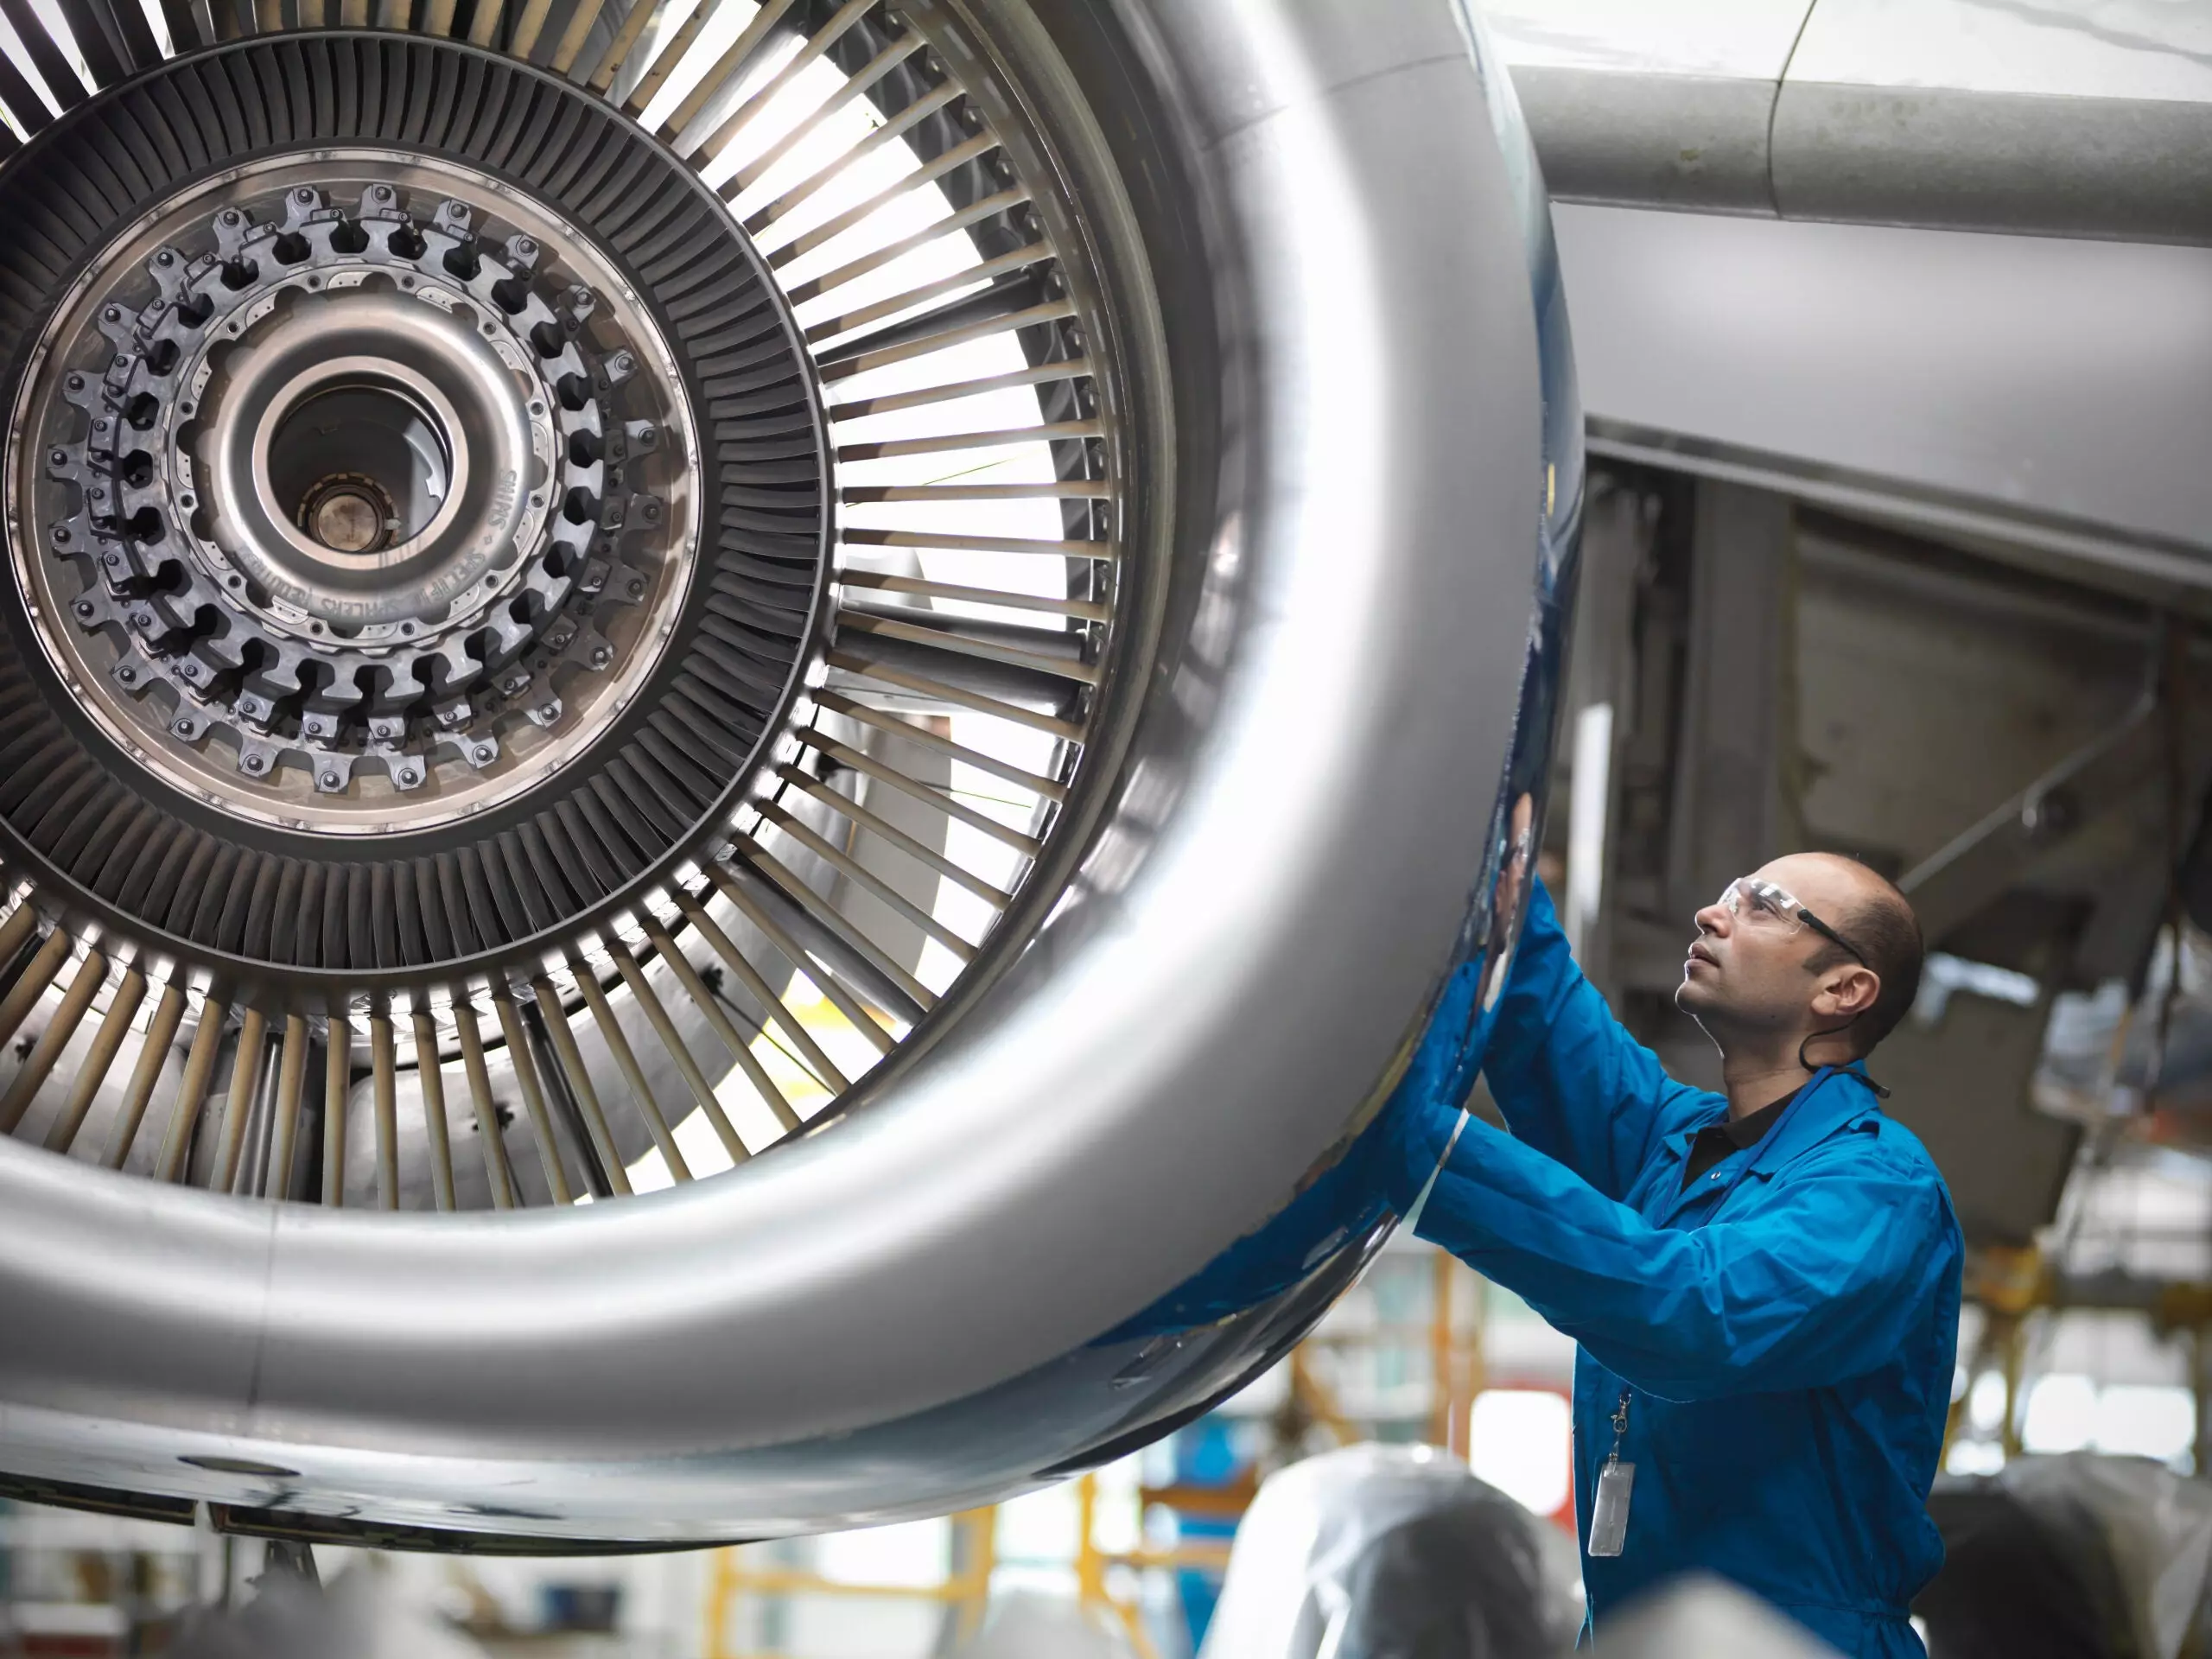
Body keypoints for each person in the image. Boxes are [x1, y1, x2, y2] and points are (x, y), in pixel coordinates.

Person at [1387, 853, 1963, 1657]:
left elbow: (1695, 1314)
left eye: (1762, 905)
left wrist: (1415, 1148)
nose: (1712, 914)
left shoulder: (1878, 1190)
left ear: (1842, 991)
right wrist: (1496, 848)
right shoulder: (1674, 1146)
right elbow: (1539, 1010)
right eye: (1723, 892)